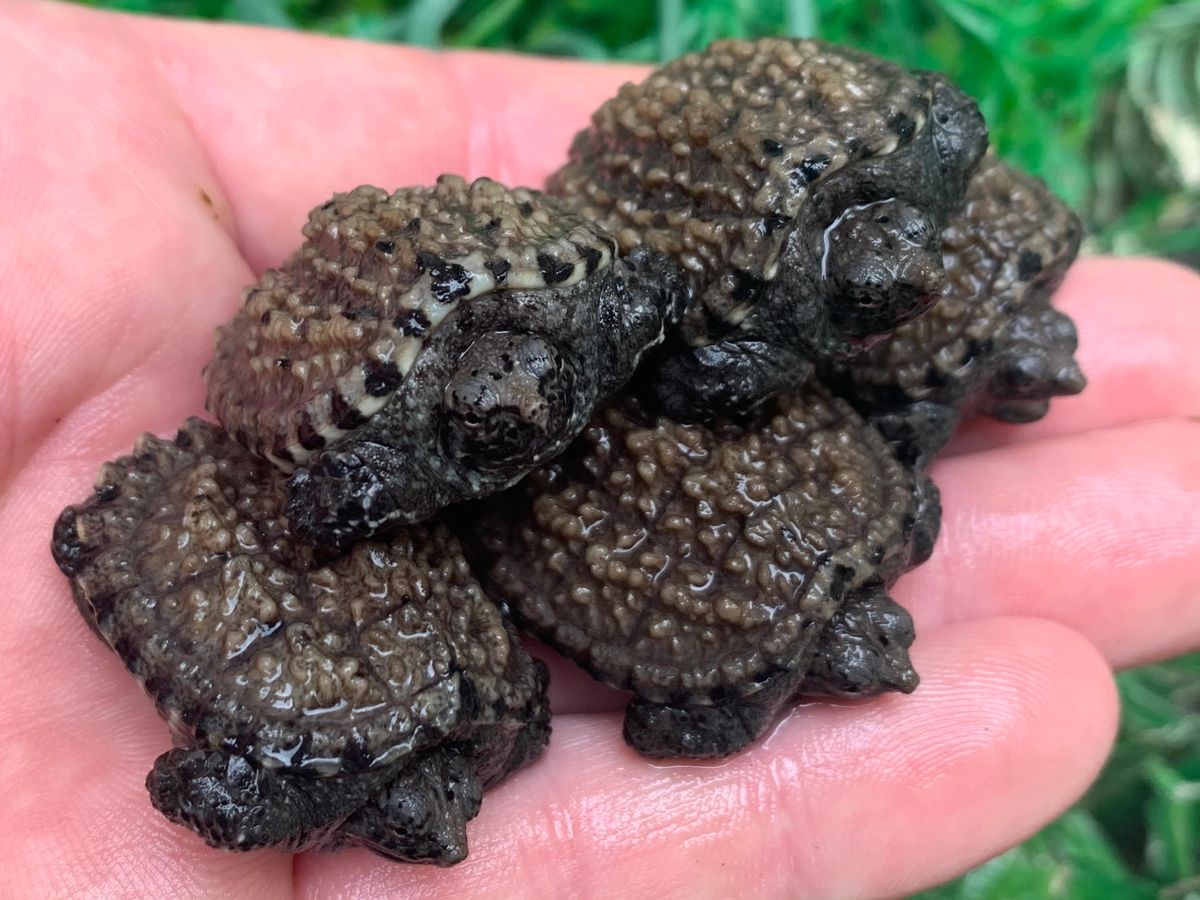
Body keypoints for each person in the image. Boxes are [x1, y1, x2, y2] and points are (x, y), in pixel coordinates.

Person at [1, 2, 1197, 896]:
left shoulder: (622, 324)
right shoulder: (413, 530)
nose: (448, 838)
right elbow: (329, 513)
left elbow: (696, 354)